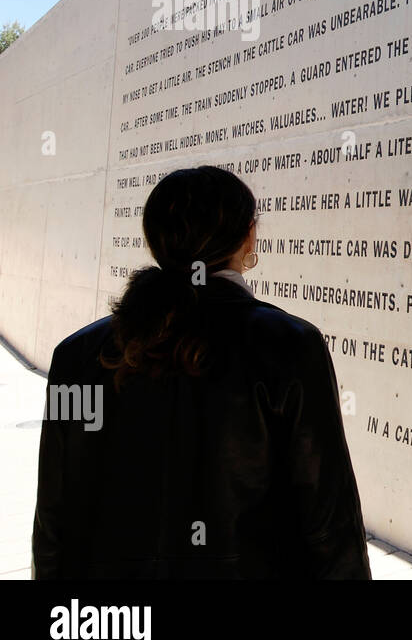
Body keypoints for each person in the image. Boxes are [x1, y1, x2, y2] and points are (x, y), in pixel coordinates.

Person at [32, 165, 371, 578]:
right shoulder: (291, 346)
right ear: (248, 236)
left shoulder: (75, 357)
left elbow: (53, 520)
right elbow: (328, 525)